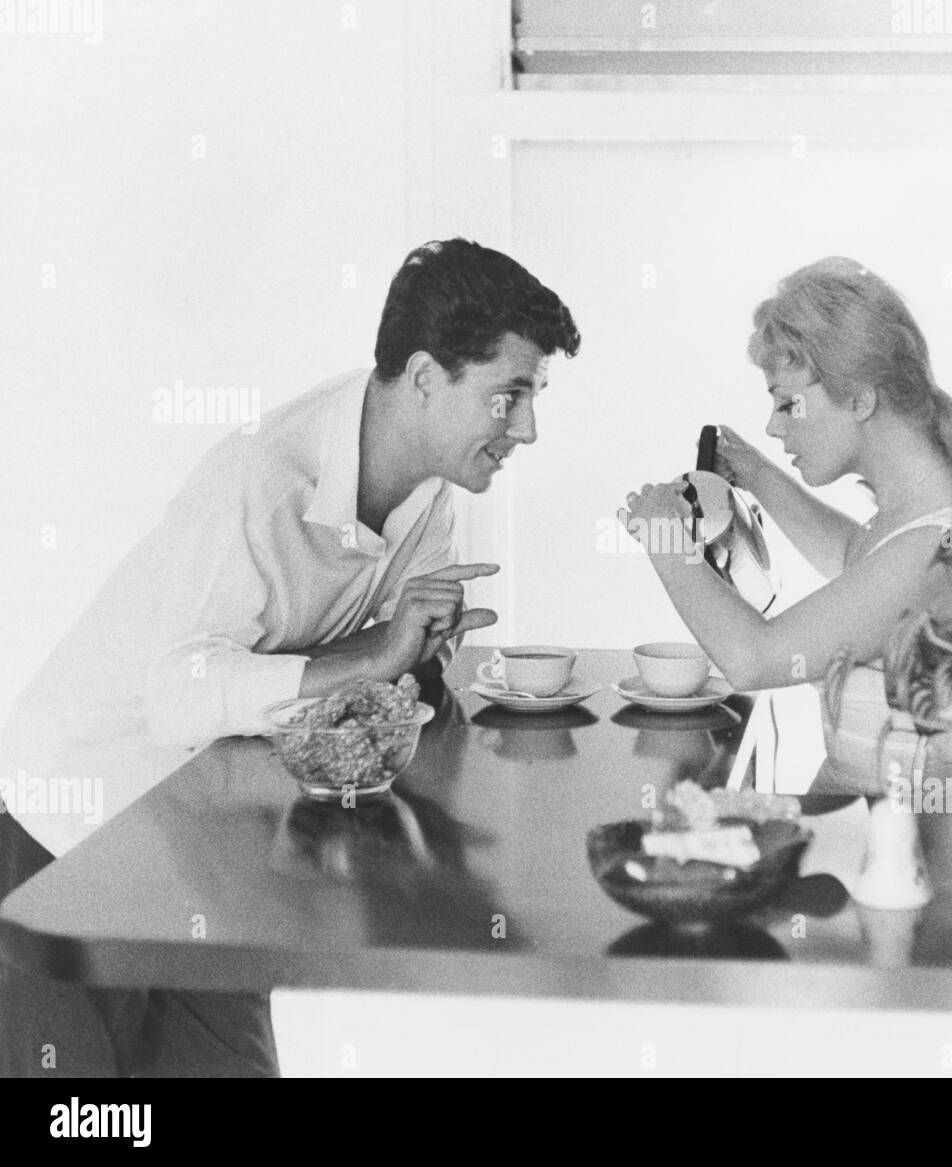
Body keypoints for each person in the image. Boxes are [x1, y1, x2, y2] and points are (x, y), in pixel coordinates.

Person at [0, 238, 580, 1076]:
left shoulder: (429, 498)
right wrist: (381, 650)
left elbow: (377, 684)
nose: (526, 426)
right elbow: (181, 696)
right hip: (65, 835)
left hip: (204, 843)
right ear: (425, 377)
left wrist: (415, 662)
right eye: (510, 395)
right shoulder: (261, 477)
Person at [620, 257, 952, 695]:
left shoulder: (932, 548)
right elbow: (860, 564)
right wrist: (757, 474)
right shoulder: (926, 513)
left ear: (860, 399)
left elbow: (753, 660)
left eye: (787, 405)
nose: (773, 427)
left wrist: (666, 541)